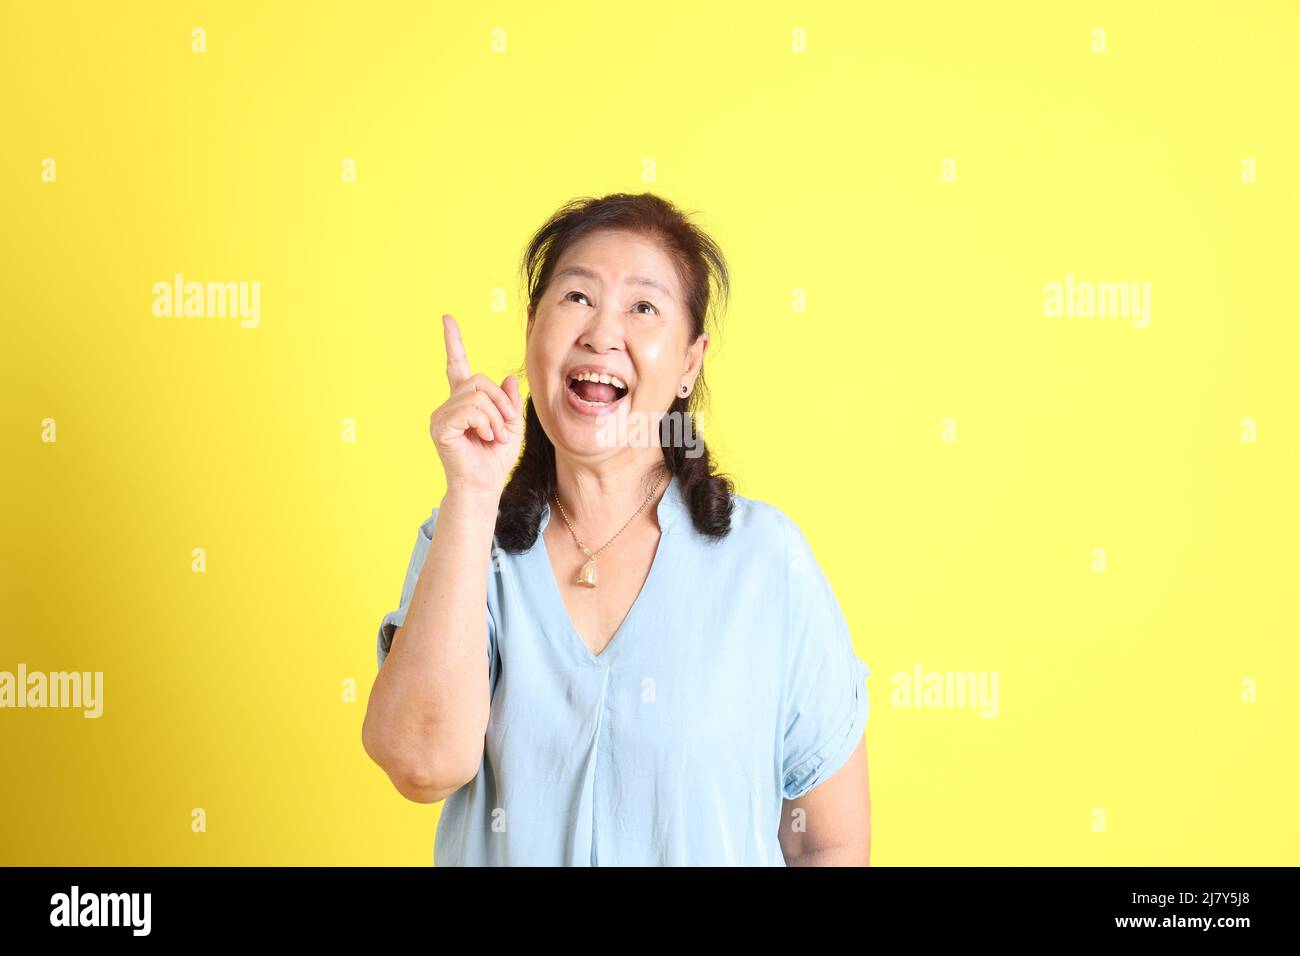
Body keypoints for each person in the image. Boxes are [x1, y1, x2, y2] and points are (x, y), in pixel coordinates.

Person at [362, 192, 872, 865]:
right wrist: (473, 493)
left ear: (690, 362)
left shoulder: (768, 564)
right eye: (576, 298)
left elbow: (827, 842)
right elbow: (421, 765)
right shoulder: (466, 543)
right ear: (531, 329)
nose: (602, 333)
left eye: (643, 306)